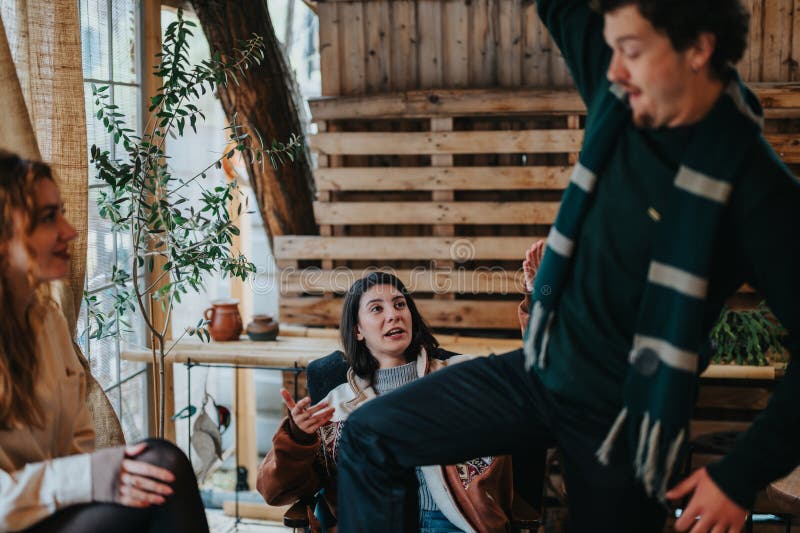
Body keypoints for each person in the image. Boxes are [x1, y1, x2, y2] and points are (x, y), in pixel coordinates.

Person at [335, 1, 800, 532]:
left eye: (630, 51)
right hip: (542, 369)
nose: (614, 69)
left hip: (628, 417)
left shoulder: (758, 192)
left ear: (699, 50)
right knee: (368, 436)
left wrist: (742, 473)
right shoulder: (620, 97)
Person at [0, 151, 209, 533]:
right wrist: (86, 479)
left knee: (159, 464)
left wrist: (93, 483)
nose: (71, 230)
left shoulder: (46, 322)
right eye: (48, 218)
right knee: (163, 466)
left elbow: (78, 440)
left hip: (53, 511)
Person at [256, 272, 515, 533]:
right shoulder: (336, 407)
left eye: (400, 304)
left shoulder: (460, 376)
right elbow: (274, 492)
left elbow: (526, 396)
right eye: (377, 308)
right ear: (357, 330)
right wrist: (298, 439)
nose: (393, 315)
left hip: (453, 522)